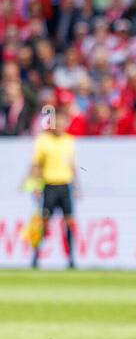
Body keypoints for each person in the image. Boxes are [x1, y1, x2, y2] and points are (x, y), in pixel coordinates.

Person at [28, 109, 78, 270]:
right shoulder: (44, 141)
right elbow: (37, 165)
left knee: (69, 222)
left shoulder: (69, 141)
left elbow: (72, 165)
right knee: (44, 222)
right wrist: (35, 186)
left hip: (65, 186)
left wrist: (76, 186)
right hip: (49, 186)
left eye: (63, 123)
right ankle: (35, 257)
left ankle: (71, 259)